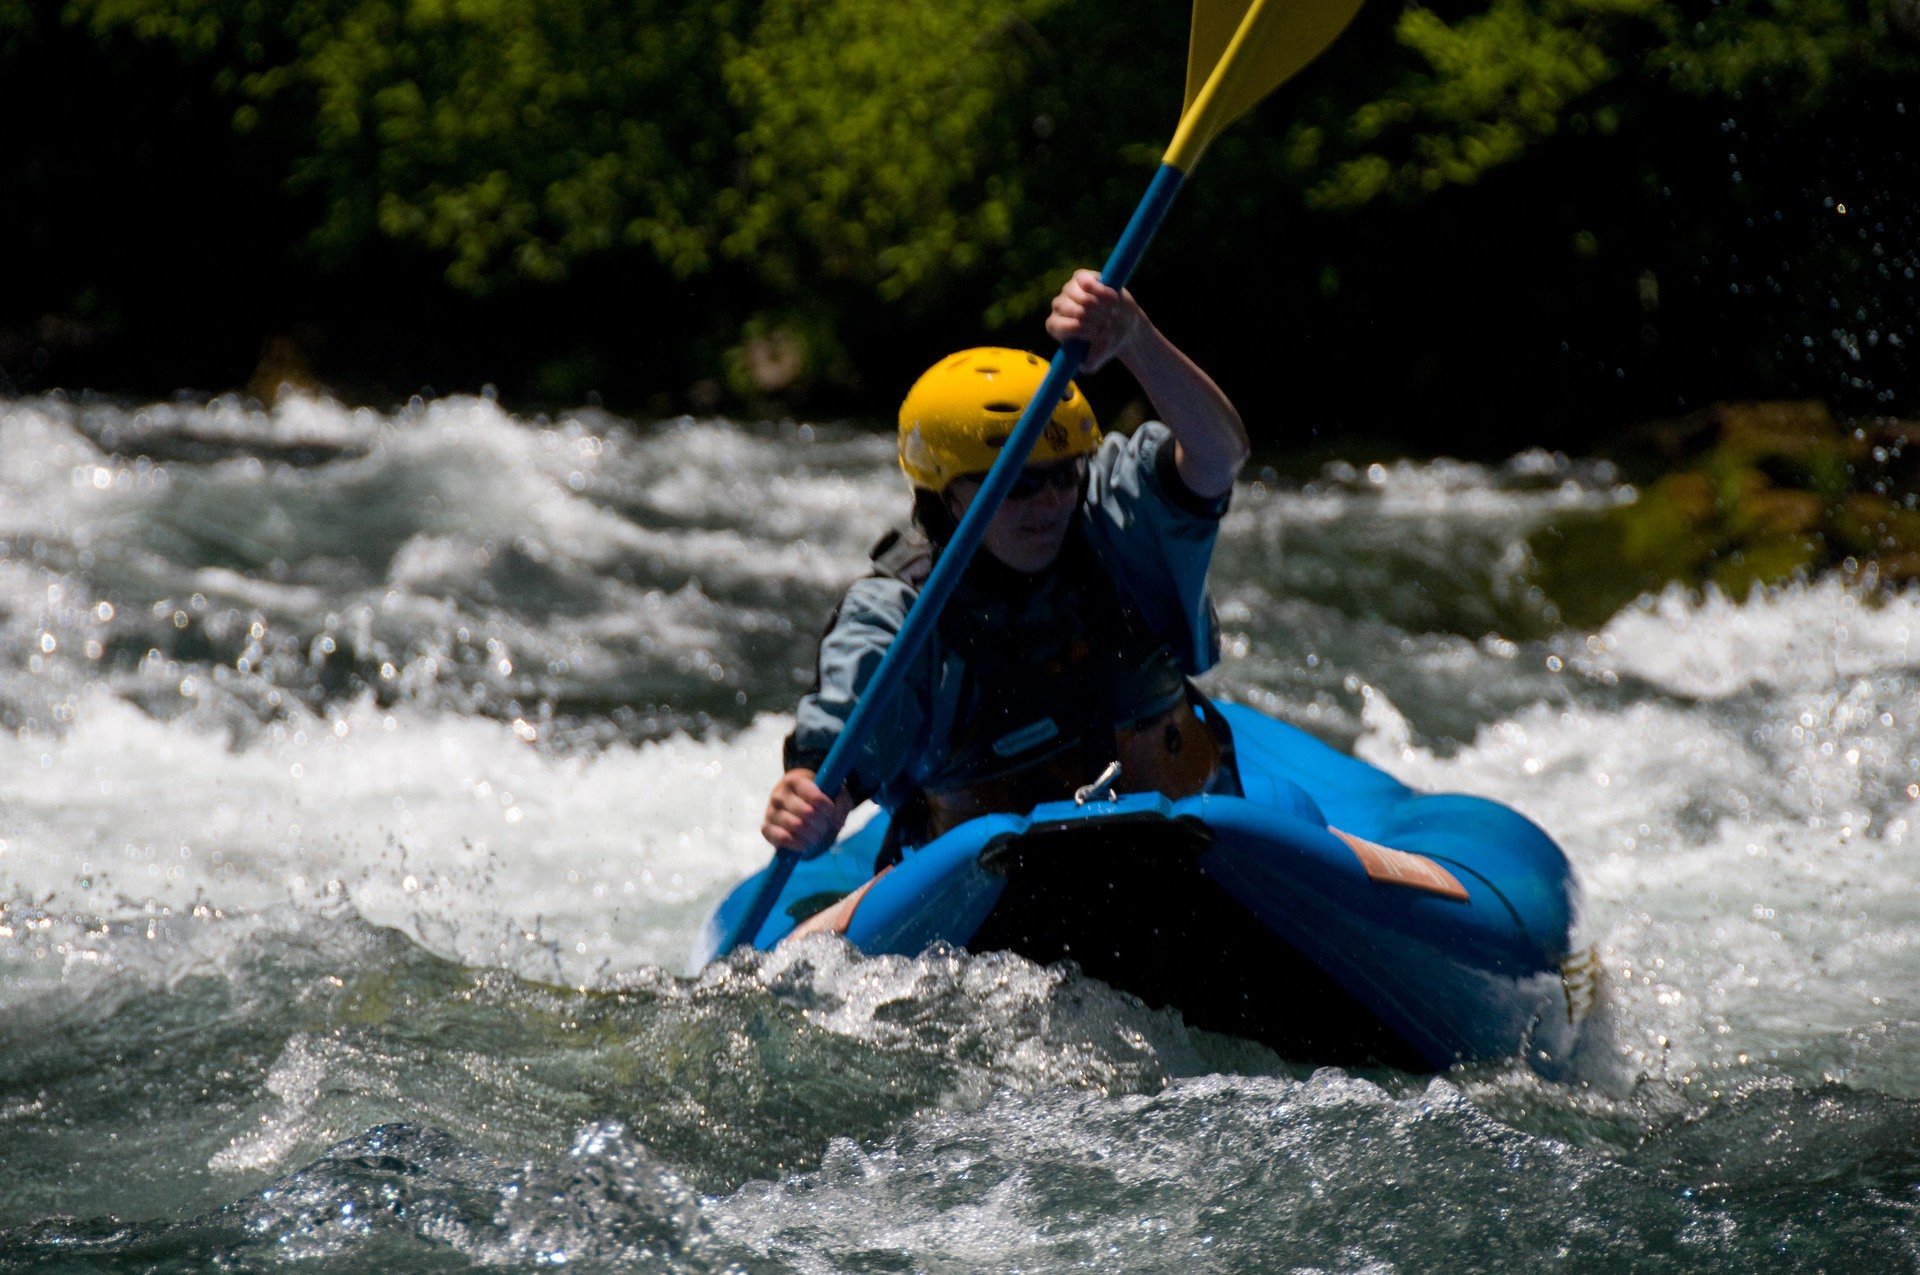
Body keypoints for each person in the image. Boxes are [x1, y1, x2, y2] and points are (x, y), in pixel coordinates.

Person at [762, 269, 1250, 861]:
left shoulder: (1113, 518)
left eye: (1061, 476)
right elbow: (833, 761)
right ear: (943, 497)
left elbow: (1219, 456)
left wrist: (1135, 338)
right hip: (1007, 890)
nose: (1048, 503)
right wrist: (810, 801)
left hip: (1188, 840)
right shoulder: (899, 616)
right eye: (1016, 485)